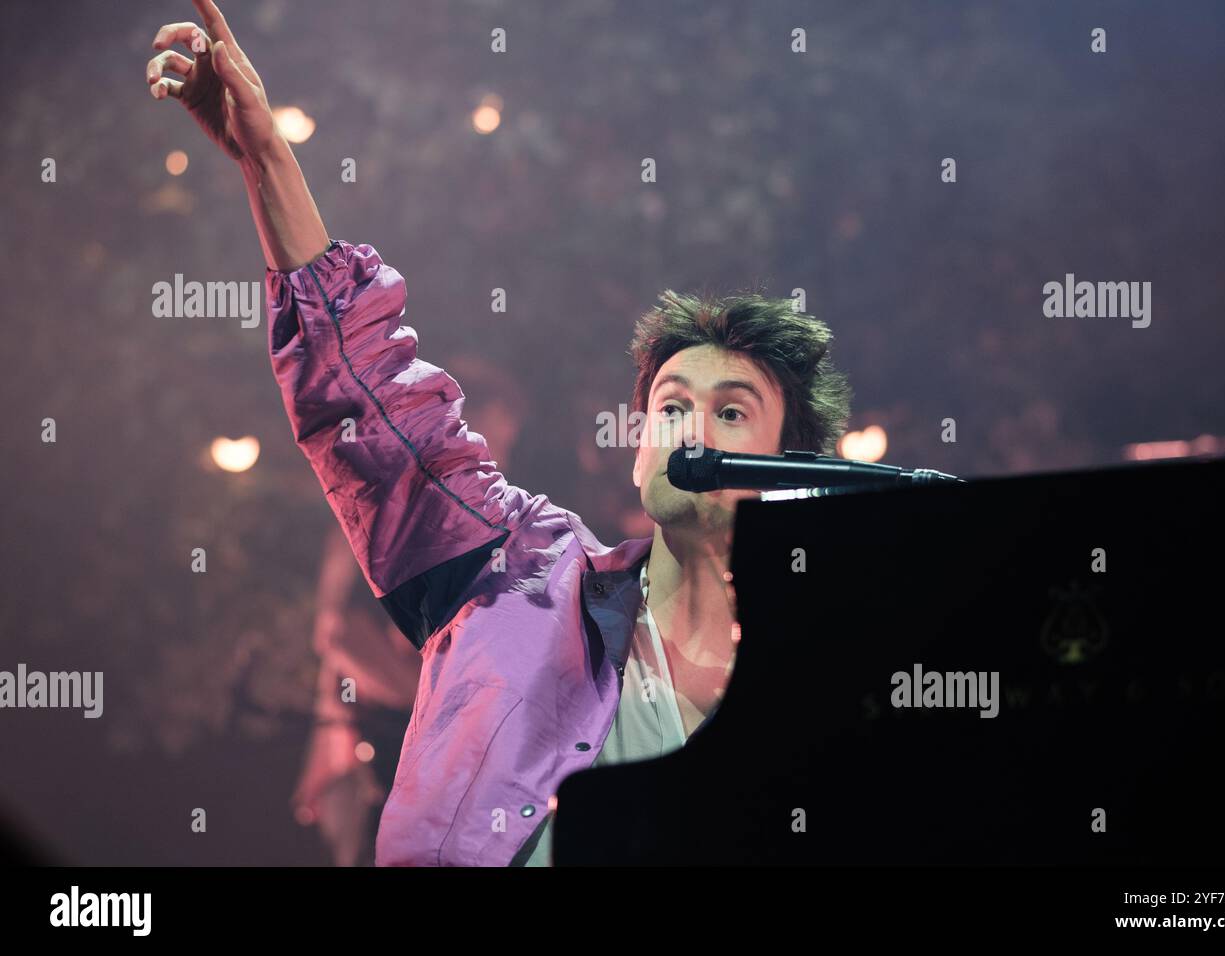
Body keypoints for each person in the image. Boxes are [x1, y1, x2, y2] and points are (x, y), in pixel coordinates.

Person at [147, 0, 851, 866]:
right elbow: (369, 401)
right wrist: (266, 157)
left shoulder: (837, 674)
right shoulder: (516, 575)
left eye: (730, 410)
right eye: (669, 404)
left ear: (786, 469)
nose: (688, 425)